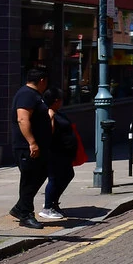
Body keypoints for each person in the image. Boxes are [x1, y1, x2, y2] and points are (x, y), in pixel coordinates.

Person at [9, 67, 52, 229]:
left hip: (37, 147)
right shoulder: (27, 94)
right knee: (29, 180)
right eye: (46, 82)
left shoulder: (34, 95)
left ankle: (20, 207)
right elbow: (22, 119)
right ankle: (25, 214)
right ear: (42, 80)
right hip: (26, 147)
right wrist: (32, 142)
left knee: (39, 175)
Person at [40, 87, 75, 220]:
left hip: (63, 153)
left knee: (67, 175)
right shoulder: (50, 114)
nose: (62, 102)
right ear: (55, 101)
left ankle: (53, 202)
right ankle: (47, 207)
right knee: (54, 178)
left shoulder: (56, 112)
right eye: (61, 100)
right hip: (55, 153)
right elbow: (49, 133)